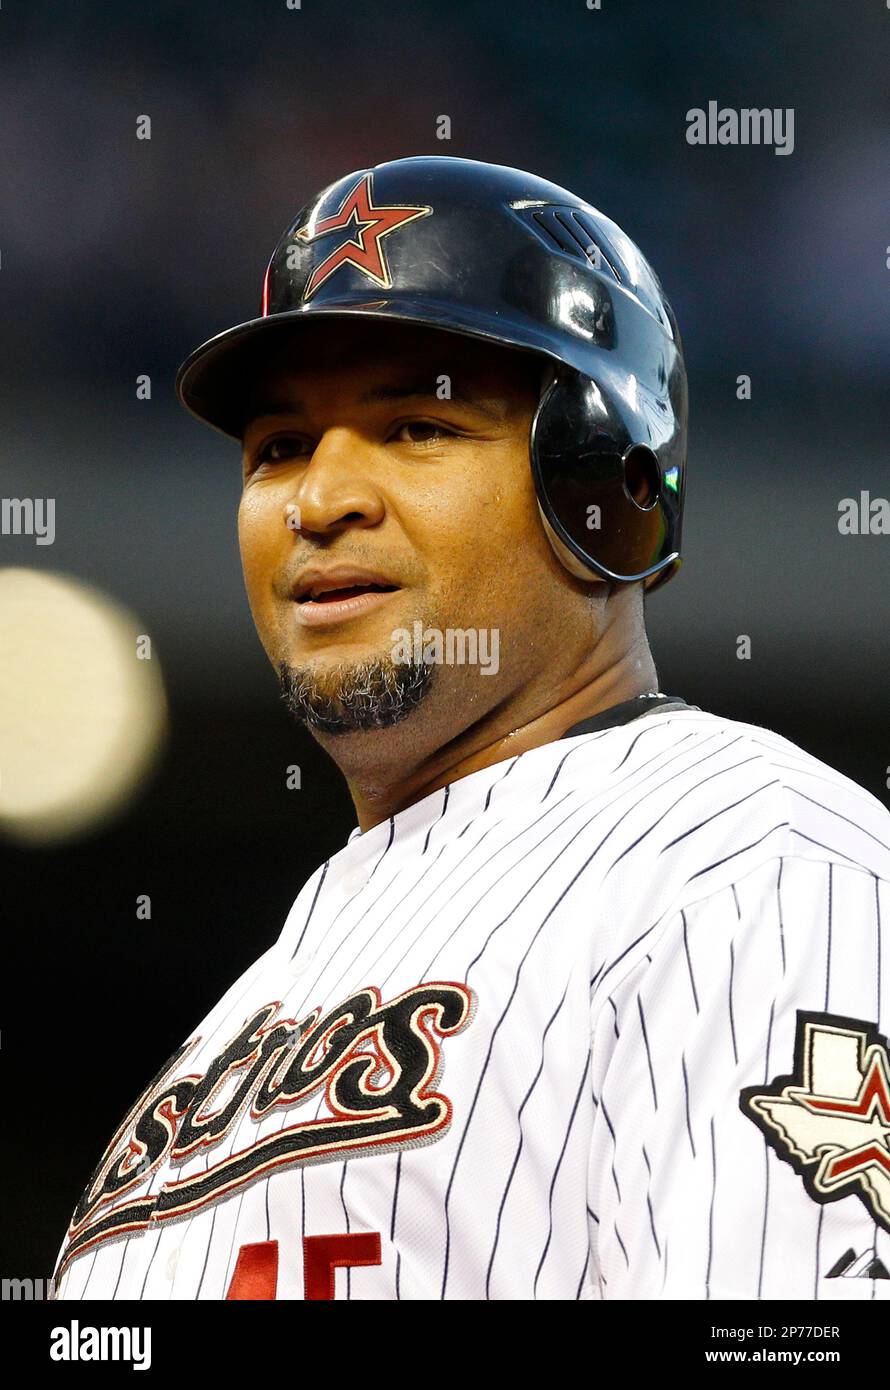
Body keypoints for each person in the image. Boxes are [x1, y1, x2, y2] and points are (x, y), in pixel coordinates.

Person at [52, 157, 890, 1300]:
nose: (317, 500)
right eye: (278, 448)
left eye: (414, 426)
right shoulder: (236, 1022)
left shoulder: (742, 864)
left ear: (605, 485)